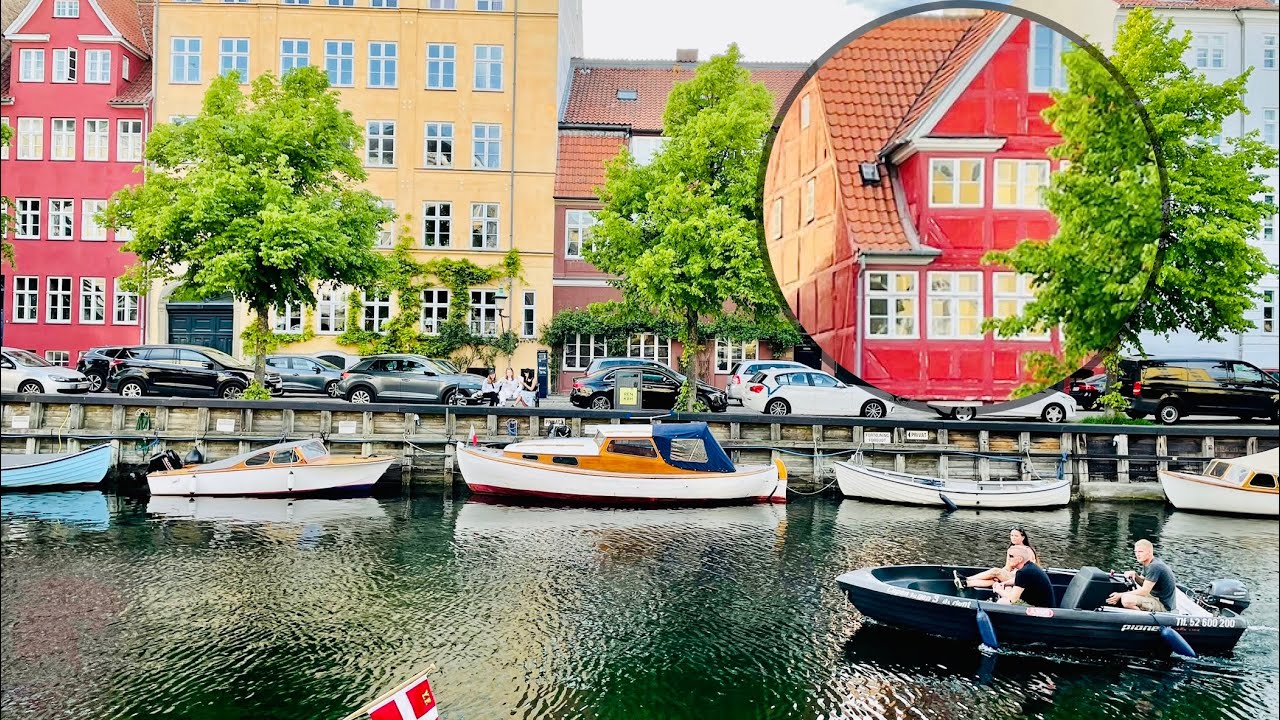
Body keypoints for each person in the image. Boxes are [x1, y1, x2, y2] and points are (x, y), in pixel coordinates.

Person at [1106, 538, 1177, 613]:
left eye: (1140, 551)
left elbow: (1144, 591)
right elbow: (1144, 582)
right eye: (1135, 552)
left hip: (1163, 604)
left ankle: (1144, 618)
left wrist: (1120, 595)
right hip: (1153, 597)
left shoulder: (1155, 566)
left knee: (1126, 600)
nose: (1137, 554)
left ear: (1149, 552)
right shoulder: (1147, 563)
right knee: (1125, 592)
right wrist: (1135, 575)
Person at [965, 527, 1039, 589]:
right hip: (1011, 575)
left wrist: (998, 573)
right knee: (994, 579)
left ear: (1023, 537)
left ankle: (968, 578)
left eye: (1016, 536)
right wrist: (1000, 574)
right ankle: (966, 583)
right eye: (1011, 535)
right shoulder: (1011, 549)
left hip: (1021, 577)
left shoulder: (1027, 550)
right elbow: (1007, 567)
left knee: (995, 571)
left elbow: (1030, 569)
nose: (1013, 538)